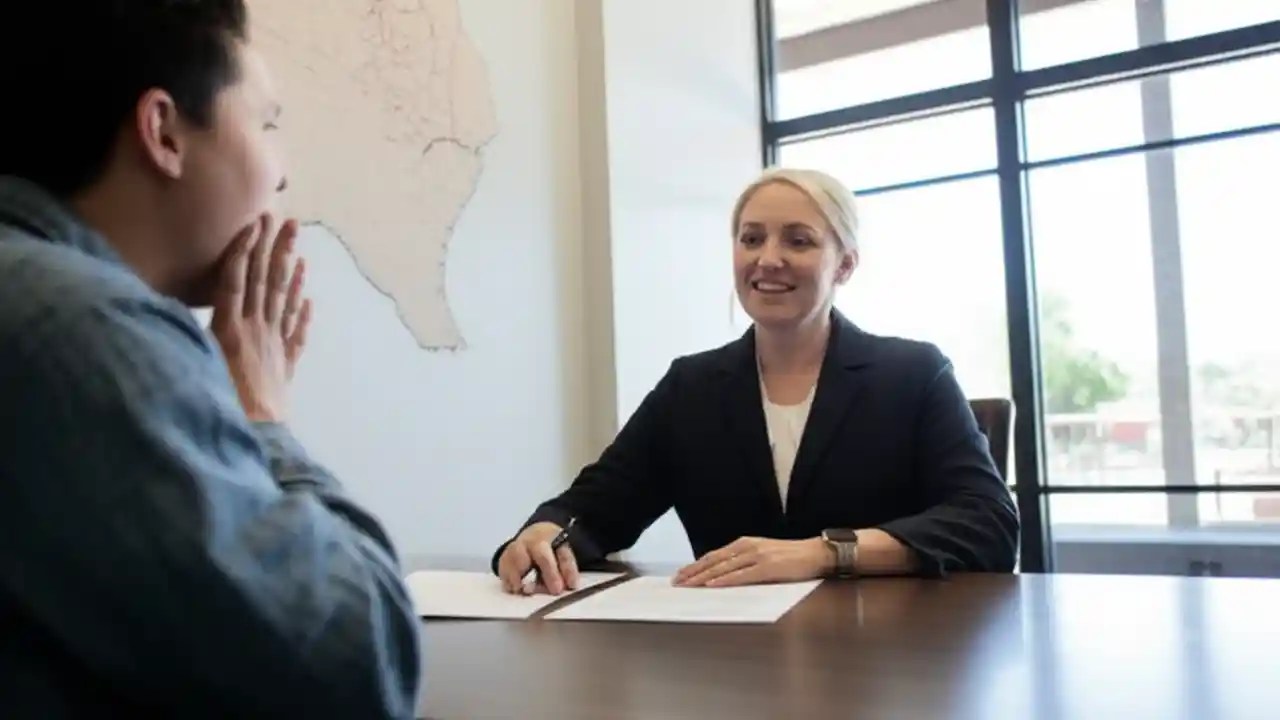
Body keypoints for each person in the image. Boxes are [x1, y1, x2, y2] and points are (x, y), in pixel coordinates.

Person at [0, 2, 420, 717]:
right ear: (163, 131)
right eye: (268, 123)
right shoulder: (89, 329)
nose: (281, 175)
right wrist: (259, 415)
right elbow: (359, 665)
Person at [494, 167, 1020, 594]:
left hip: (888, 659)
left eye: (799, 240)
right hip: (735, 661)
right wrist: (545, 534)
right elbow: (594, 508)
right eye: (751, 238)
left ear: (845, 266)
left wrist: (821, 553)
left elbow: (988, 523)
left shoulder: (913, 374)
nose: (768, 259)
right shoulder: (691, 387)